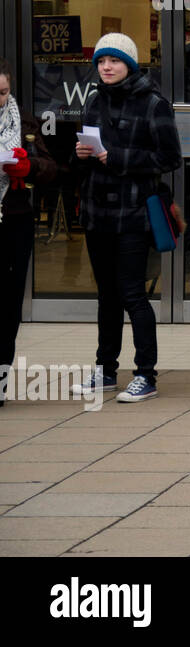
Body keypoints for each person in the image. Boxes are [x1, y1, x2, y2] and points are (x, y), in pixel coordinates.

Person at [68, 34, 182, 403]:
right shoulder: (95, 101)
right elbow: (81, 162)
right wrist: (81, 155)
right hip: (97, 213)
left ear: (129, 64)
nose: (106, 67)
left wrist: (118, 157)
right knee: (107, 297)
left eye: (114, 61)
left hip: (133, 213)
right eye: (101, 62)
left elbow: (169, 158)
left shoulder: (153, 103)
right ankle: (104, 371)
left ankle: (146, 374)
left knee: (133, 294)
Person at [1, 60, 57, 407]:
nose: (0, 100)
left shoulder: (24, 122)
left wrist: (29, 166)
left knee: (7, 305)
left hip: (14, 220)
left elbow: (52, 168)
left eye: (3, 93)